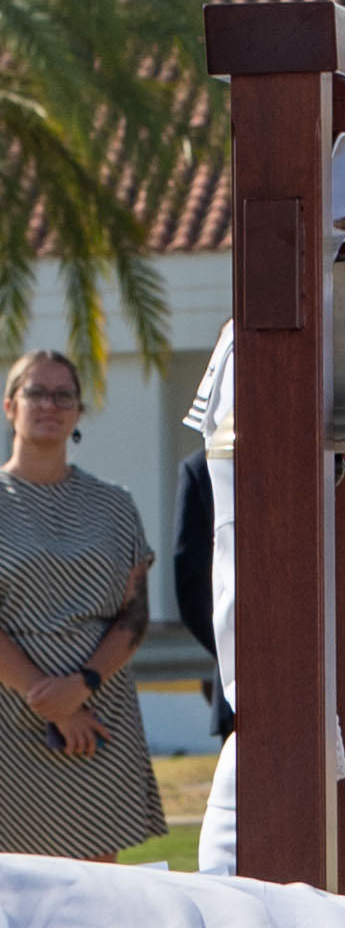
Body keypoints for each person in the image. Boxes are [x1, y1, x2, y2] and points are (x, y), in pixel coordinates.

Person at [0, 350, 159, 857]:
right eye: (36, 392)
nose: (51, 404)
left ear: (78, 412)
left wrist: (82, 686)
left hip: (99, 713)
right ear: (10, 406)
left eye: (64, 394)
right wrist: (51, 700)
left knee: (98, 890)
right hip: (10, 717)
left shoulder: (114, 504)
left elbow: (133, 614)